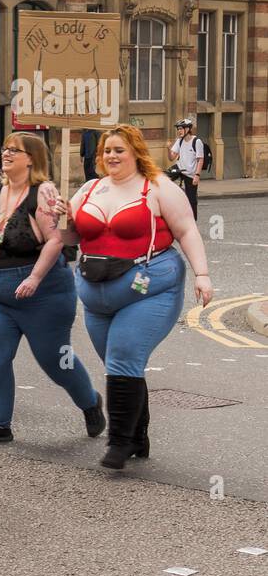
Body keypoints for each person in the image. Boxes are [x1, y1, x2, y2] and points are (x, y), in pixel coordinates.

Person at [61, 125, 214, 469]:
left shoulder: (158, 187)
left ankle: (119, 443)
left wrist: (202, 275)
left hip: (148, 289)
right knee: (122, 365)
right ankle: (138, 435)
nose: (112, 156)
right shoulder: (89, 189)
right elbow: (68, 235)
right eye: (107, 150)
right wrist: (56, 217)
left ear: (136, 152)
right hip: (96, 294)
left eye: (119, 150)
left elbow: (187, 230)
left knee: (123, 357)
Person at [0, 132, 104, 445]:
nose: (7, 153)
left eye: (15, 150)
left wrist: (35, 277)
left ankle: (90, 402)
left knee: (55, 362)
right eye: (6, 148)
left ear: (32, 159)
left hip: (43, 293)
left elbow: (56, 238)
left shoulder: (43, 191)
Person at [168, 119, 204, 217]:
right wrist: (168, 149)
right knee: (163, 178)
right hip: (180, 168)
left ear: (187, 129)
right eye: (178, 129)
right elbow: (171, 158)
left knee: (192, 199)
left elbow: (200, 160)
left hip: (190, 173)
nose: (179, 131)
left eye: (180, 129)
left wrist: (197, 175)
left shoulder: (197, 141)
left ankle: (192, 220)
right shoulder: (179, 141)